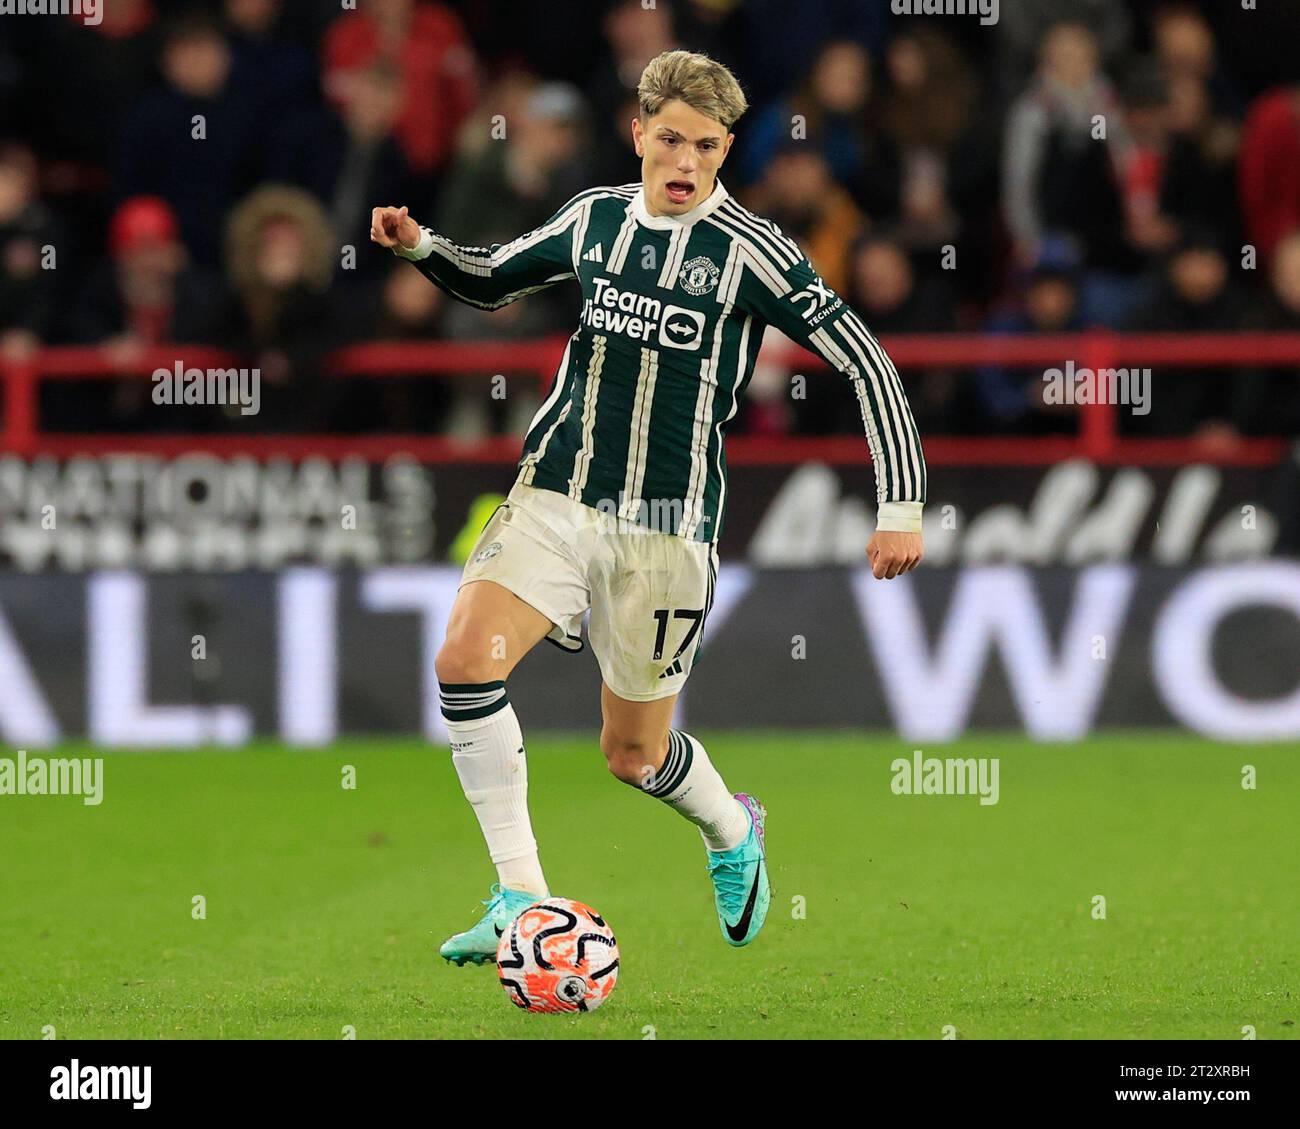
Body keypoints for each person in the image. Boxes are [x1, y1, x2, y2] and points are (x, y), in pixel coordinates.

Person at [370, 49, 925, 964]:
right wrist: (424, 248)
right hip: (557, 491)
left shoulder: (756, 254)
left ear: (724, 151)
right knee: (465, 659)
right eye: (669, 138)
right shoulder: (592, 221)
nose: (684, 161)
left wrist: (900, 505)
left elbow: (868, 363)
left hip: (667, 529)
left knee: (630, 754)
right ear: (638, 134)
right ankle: (521, 895)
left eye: (705, 145)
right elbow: (495, 279)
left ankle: (731, 829)